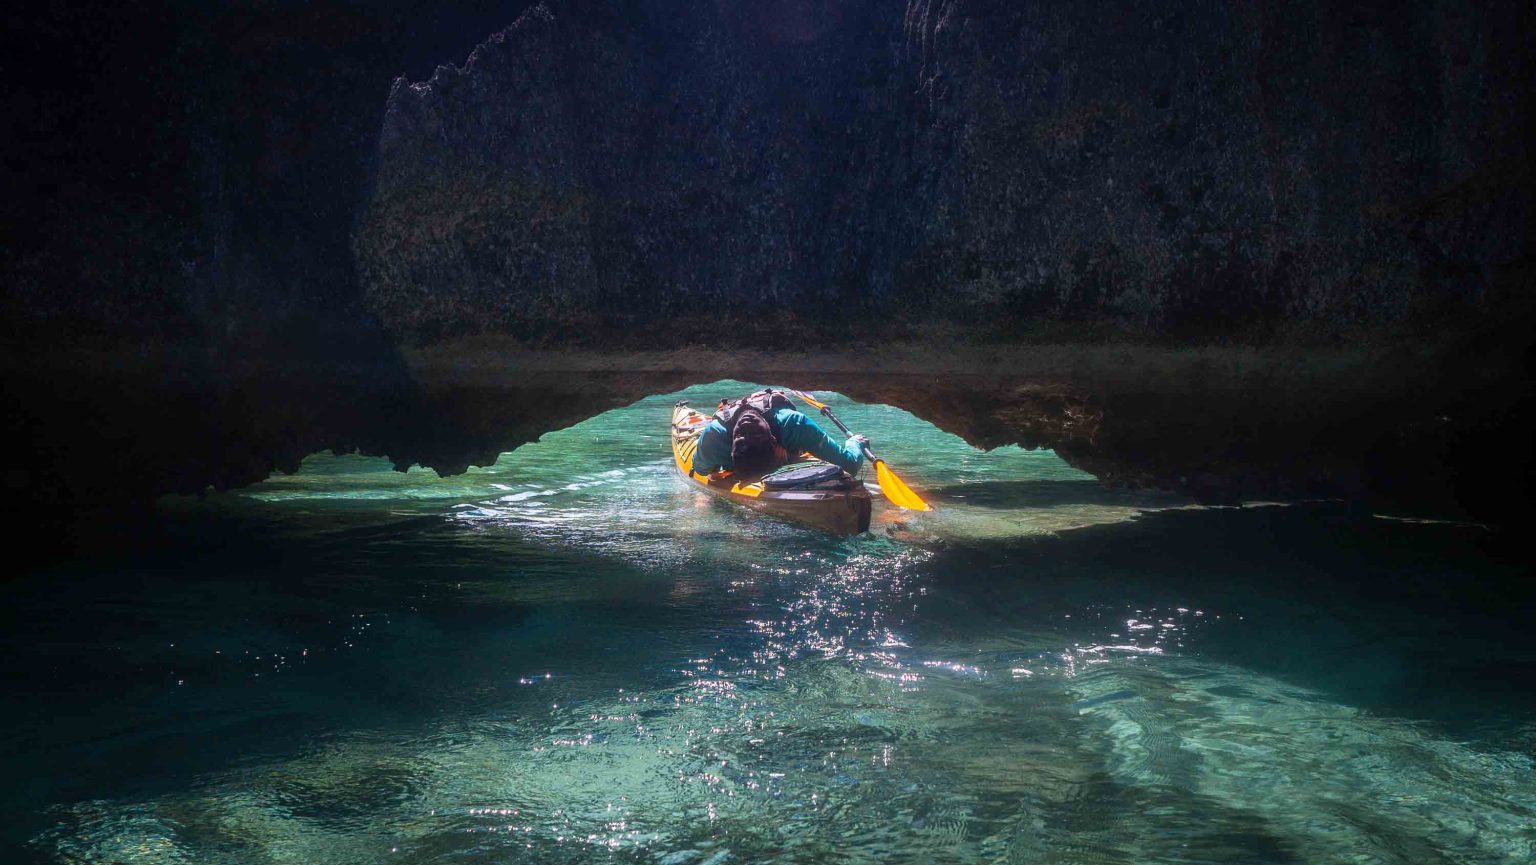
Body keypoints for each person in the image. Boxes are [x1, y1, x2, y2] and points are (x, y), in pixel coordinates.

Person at [692, 390, 868, 479]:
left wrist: (854, 443)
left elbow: (849, 464)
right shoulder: (714, 435)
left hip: (785, 429)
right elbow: (700, 470)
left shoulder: (795, 424)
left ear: (776, 443)